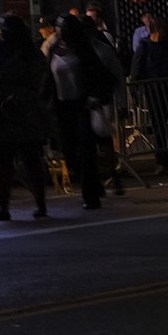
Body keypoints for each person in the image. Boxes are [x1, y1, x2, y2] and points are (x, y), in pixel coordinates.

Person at [0, 14, 52, 220]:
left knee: (30, 160)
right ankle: (3, 206)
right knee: (3, 163)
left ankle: (41, 203)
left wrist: (19, 96)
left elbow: (38, 80)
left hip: (23, 113)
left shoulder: (29, 53)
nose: (2, 35)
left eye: (6, 32)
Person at [53, 15, 120, 210]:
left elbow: (103, 77)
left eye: (62, 28)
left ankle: (90, 194)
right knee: (69, 151)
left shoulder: (83, 51)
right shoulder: (54, 50)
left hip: (82, 105)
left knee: (85, 151)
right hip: (63, 107)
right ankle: (94, 182)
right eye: (57, 28)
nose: (59, 31)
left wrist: (95, 96)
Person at [134, 15, 168, 172]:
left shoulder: (167, 46)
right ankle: (162, 161)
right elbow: (137, 69)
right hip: (155, 93)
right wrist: (139, 90)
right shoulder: (145, 47)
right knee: (159, 128)